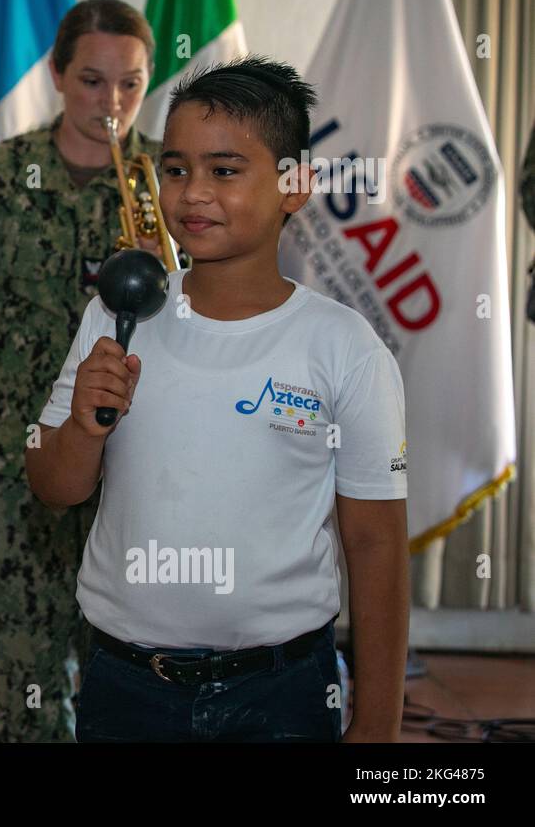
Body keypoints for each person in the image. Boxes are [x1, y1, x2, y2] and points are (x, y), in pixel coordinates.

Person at [26, 57, 410, 742]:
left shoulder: (344, 348)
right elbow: (54, 487)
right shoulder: (119, 315)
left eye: (225, 171)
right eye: (176, 170)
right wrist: (84, 427)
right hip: (124, 685)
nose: (193, 193)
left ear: (294, 186)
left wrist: (378, 723)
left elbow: (376, 542)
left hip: (283, 690)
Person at [0, 0, 162, 742]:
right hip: (10, 465)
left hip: (139, 463)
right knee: (27, 688)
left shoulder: (169, 190)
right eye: (91, 81)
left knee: (131, 684)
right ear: (56, 74)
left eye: (130, 84)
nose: (111, 103)